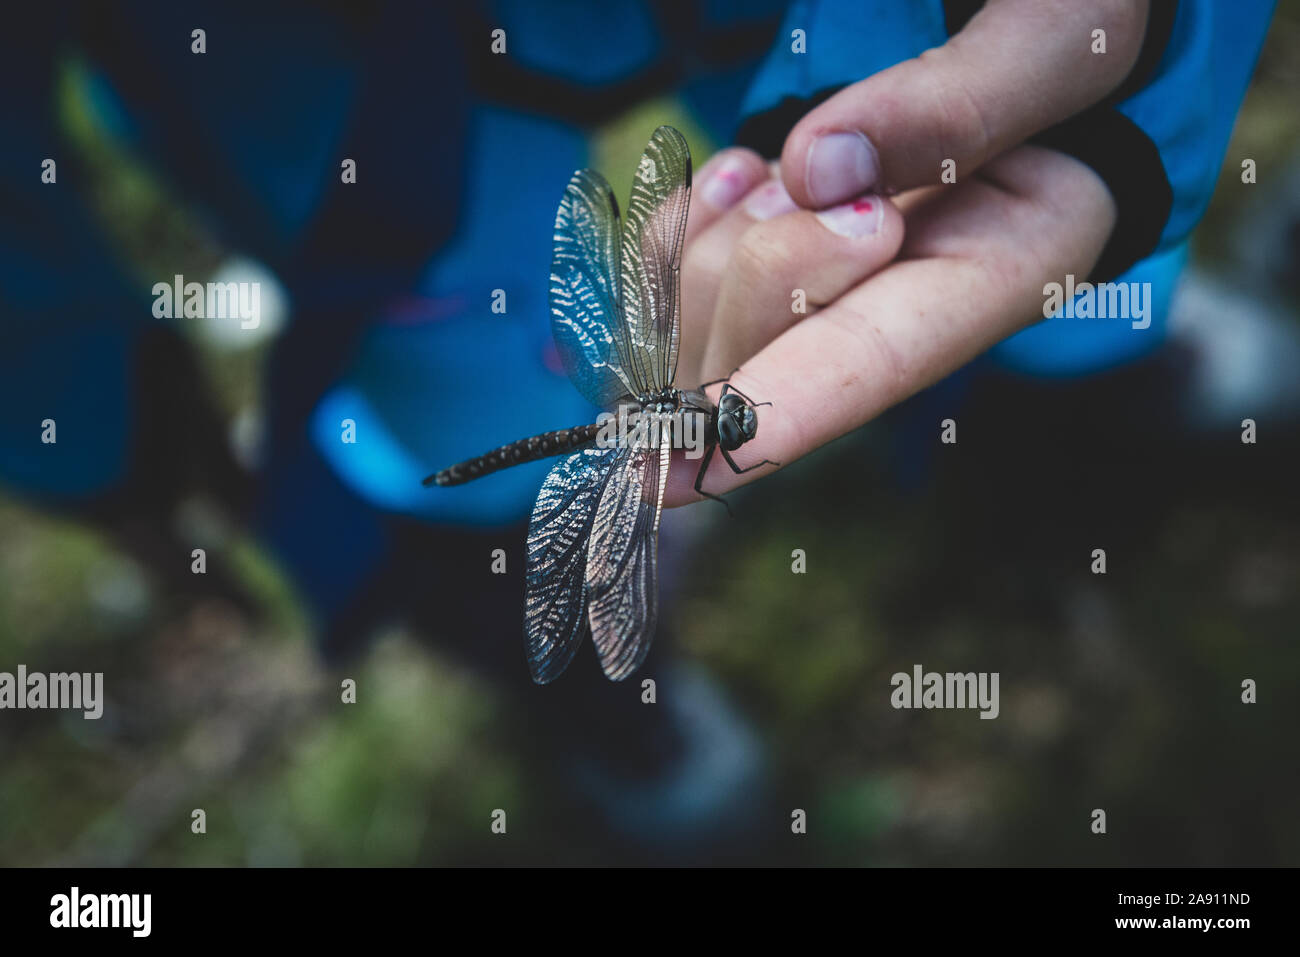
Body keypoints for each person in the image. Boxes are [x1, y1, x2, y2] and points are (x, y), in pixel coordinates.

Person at [0, 0, 1278, 855]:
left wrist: (1137, 53)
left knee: (952, 192)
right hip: (288, 55)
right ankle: (570, 638)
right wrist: (76, 407)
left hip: (843, 15)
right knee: (455, 369)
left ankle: (1080, 366)